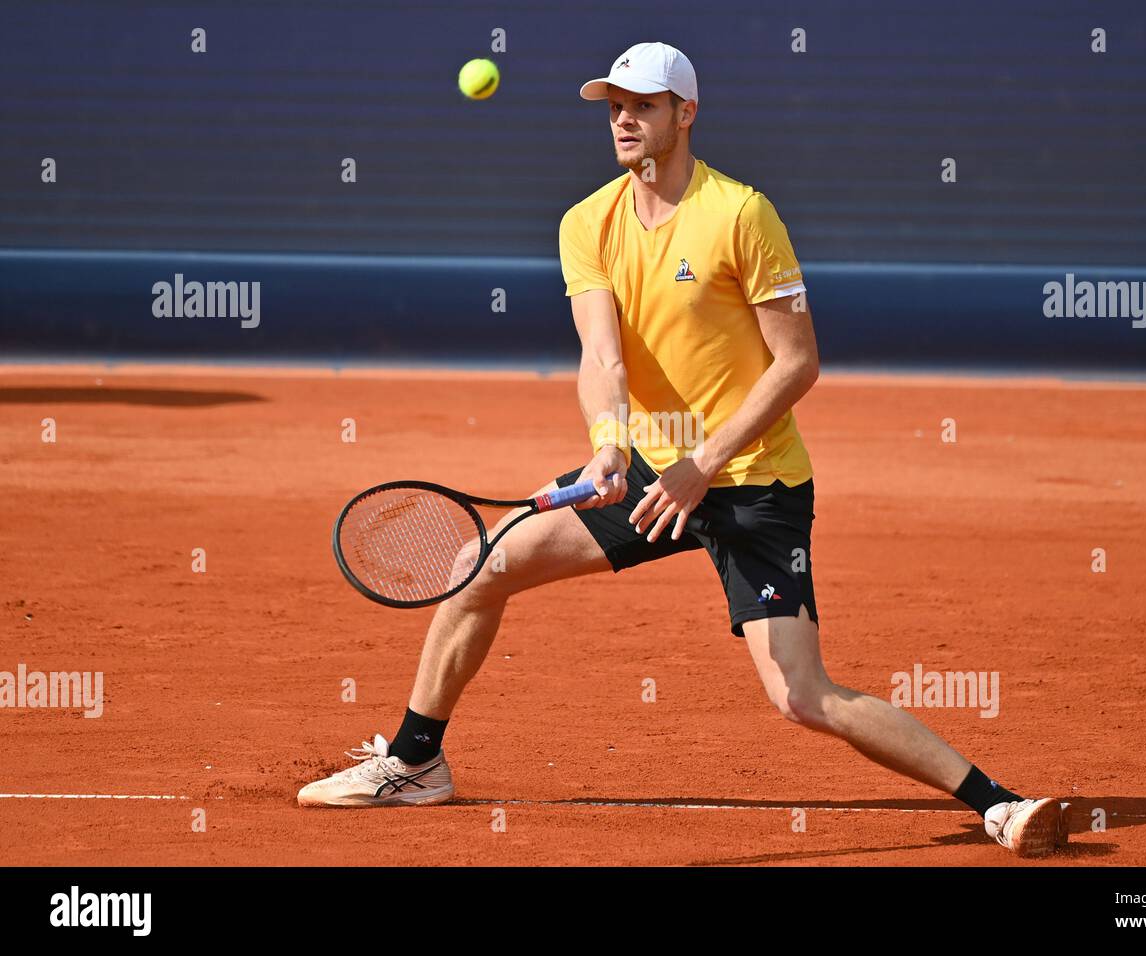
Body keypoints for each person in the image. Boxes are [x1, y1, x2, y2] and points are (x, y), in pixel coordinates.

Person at [298, 41, 1069, 858]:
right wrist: (605, 448)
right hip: (647, 472)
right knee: (477, 566)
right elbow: (601, 358)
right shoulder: (585, 222)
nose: (623, 120)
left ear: (685, 114)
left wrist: (701, 466)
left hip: (749, 482)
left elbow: (797, 362)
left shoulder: (741, 214)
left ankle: (998, 804)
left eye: (643, 106)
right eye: (613, 107)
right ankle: (416, 762)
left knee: (801, 696)